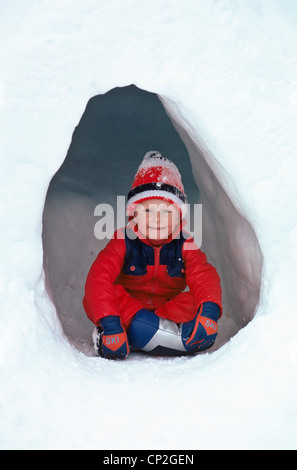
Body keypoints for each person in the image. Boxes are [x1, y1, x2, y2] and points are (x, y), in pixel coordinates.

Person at [83, 151, 222, 359]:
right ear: (134, 214)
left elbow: (203, 274)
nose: (157, 219)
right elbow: (99, 278)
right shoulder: (124, 240)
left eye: (166, 212)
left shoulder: (185, 243)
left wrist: (209, 311)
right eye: (148, 211)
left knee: (197, 299)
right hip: (130, 312)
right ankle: (153, 336)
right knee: (108, 292)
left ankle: (147, 335)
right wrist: (110, 322)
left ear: (178, 218)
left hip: (167, 312)